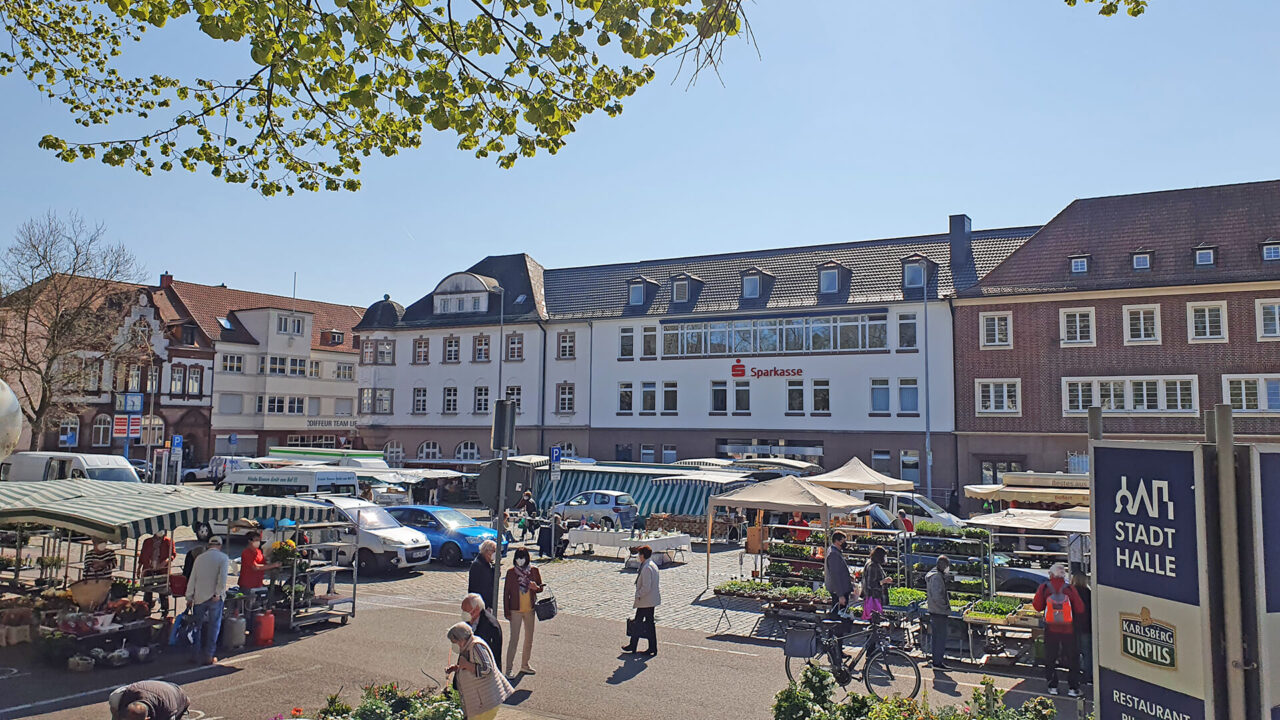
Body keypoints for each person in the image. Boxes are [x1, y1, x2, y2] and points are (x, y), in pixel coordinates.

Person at [1032, 563, 1085, 697]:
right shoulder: (1070, 589)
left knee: (1050, 658)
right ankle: (1073, 688)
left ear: (1051, 574)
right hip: (1069, 630)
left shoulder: (1044, 587)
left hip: (1051, 629)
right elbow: (1080, 608)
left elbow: (1037, 606)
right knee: (1073, 658)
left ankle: (1053, 686)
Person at [446, 622, 513, 720]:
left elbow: (487, 669)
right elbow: (472, 665)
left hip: (485, 703)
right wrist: (458, 668)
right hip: (480, 703)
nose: (455, 645)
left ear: (461, 639)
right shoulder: (468, 646)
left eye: (455, 642)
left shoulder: (476, 646)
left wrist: (466, 665)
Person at [185, 535, 230, 665]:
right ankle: (209, 655)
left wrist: (189, 596)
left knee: (196, 627)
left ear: (209, 545)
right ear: (220, 546)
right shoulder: (223, 558)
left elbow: (192, 578)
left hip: (199, 596)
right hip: (214, 598)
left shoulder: (199, 558)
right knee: (213, 626)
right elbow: (222, 579)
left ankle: (195, 654)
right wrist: (218, 594)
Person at [502, 547, 544, 677]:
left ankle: (525, 665)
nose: (520, 560)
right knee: (514, 639)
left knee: (529, 639)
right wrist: (507, 611)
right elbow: (506, 593)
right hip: (515, 610)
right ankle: (509, 669)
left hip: (529, 610)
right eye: (518, 558)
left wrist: (535, 588)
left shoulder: (534, 571)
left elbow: (540, 587)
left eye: (522, 558)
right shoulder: (511, 573)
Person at [622, 545, 660, 656]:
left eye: (639, 554)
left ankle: (636, 645)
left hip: (645, 601)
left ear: (643, 555)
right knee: (646, 624)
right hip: (649, 600)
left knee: (640, 623)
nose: (638, 556)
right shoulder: (651, 565)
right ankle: (646, 646)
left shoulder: (647, 568)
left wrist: (638, 594)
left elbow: (646, 587)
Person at [108, 680, 191, 720]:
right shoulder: (117, 698)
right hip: (154, 689)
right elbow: (114, 711)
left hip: (178, 697)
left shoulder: (167, 711)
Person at [139, 530, 176, 614]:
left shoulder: (168, 542)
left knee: (163, 591)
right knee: (147, 590)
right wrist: (139, 568)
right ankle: (146, 609)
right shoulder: (147, 541)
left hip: (162, 570)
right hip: (149, 569)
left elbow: (172, 555)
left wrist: (165, 562)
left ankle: (164, 611)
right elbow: (142, 555)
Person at [462, 593, 503, 666]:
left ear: (477, 609)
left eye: (466, 611)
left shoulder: (491, 627)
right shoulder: (469, 620)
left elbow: (489, 656)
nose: (463, 613)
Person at [925, 555, 951, 669]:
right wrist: (945, 607)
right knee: (940, 638)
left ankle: (936, 660)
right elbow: (937, 596)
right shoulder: (936, 577)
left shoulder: (935, 575)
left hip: (935, 610)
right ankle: (937, 662)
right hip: (939, 611)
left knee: (936, 637)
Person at [823, 532, 853, 613]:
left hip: (840, 590)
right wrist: (840, 595)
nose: (845, 543)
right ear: (837, 541)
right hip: (839, 591)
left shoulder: (834, 551)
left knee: (840, 613)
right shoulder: (833, 554)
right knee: (839, 614)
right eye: (843, 541)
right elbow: (835, 575)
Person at [1073, 571, 1093, 684]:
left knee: (1074, 652)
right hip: (1087, 627)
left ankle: (1075, 675)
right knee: (1087, 653)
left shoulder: (1071, 592)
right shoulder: (1089, 593)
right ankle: (1088, 676)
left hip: (1073, 627)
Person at [861, 546, 893, 615]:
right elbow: (870, 584)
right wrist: (883, 581)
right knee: (875, 616)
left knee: (876, 616)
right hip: (875, 597)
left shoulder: (873, 563)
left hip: (875, 597)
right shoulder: (872, 566)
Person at [468, 540, 498, 611]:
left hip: (487, 603)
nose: (495, 554)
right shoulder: (477, 565)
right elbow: (475, 587)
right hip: (480, 604)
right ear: (487, 551)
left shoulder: (487, 563)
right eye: (493, 551)